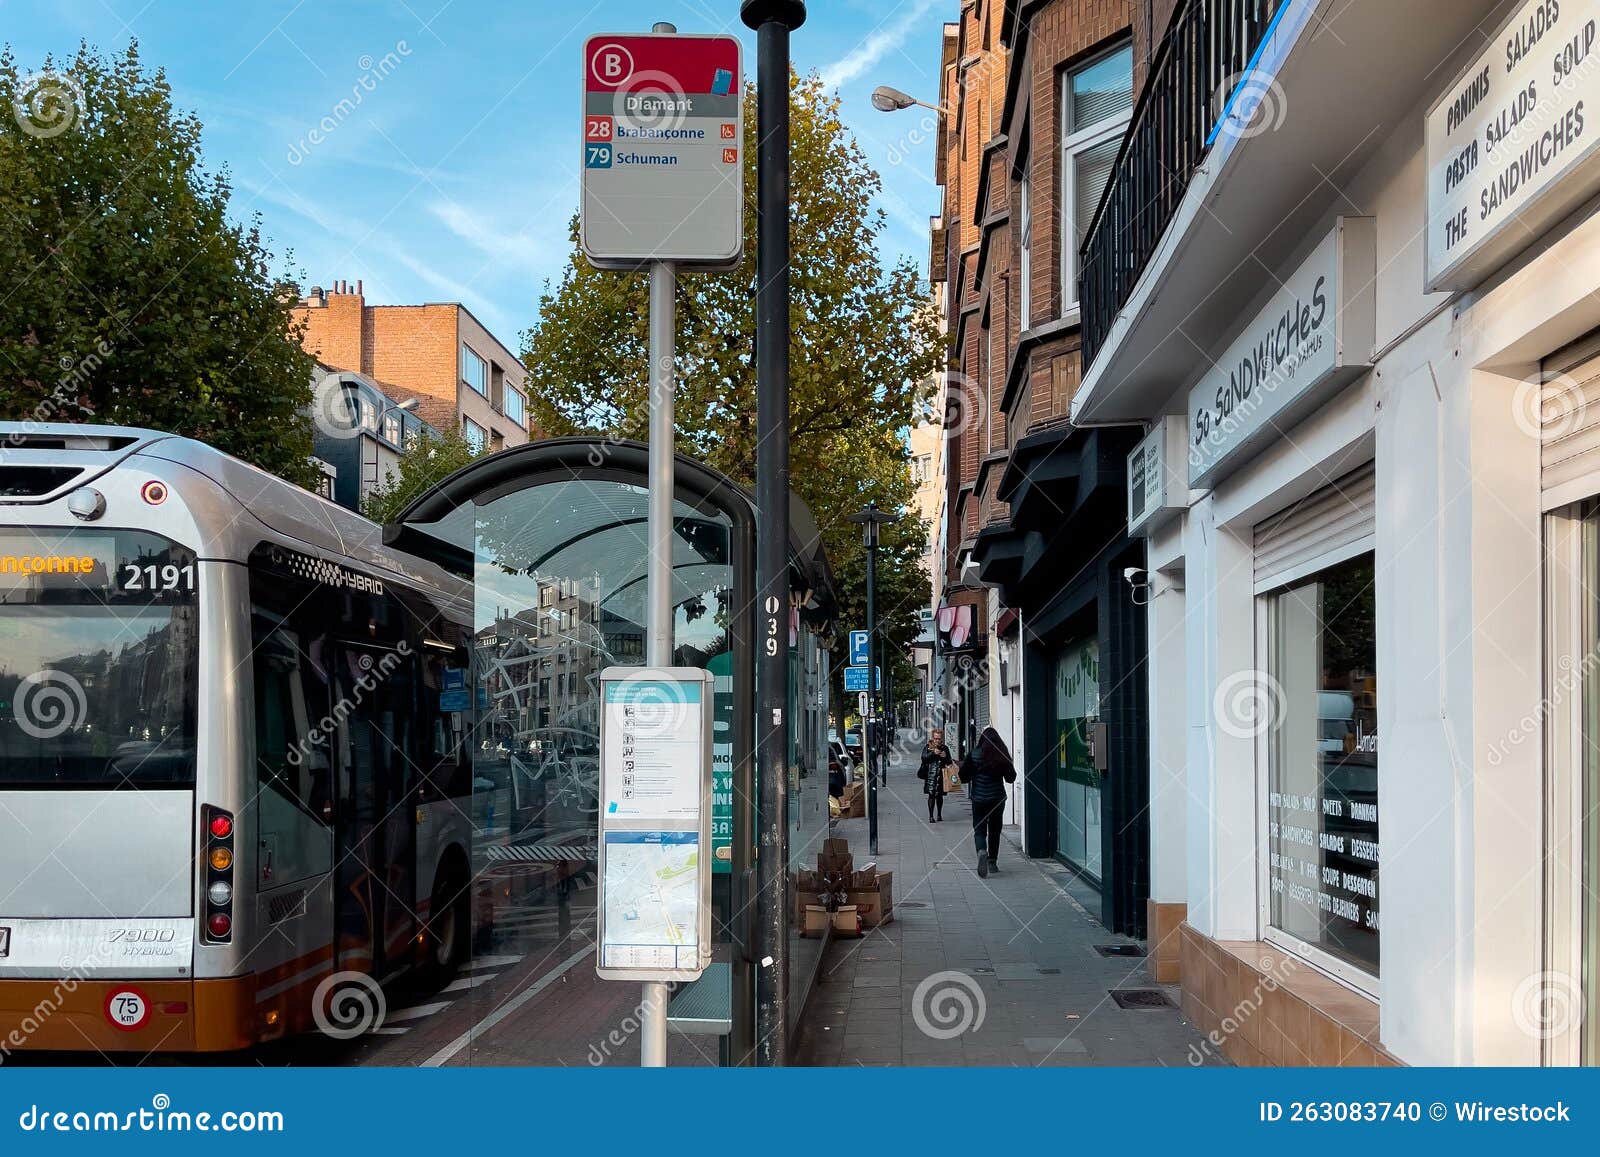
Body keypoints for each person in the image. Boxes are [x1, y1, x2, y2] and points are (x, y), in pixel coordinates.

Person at [959, 726, 1016, 878]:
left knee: (979, 829)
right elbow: (1011, 778)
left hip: (979, 798)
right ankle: (992, 862)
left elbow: (964, 777)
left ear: (982, 739)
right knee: (995, 830)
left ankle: (981, 851)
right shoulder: (1001, 755)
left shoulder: (974, 754)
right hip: (997, 798)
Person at [916, 728, 953, 823]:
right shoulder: (928, 747)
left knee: (940, 796)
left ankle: (939, 814)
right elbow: (924, 758)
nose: (937, 740)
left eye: (939, 738)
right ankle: (931, 816)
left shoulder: (945, 748)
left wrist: (945, 757)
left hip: (941, 776)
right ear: (933, 738)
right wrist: (933, 753)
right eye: (936, 738)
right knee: (931, 795)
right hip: (931, 775)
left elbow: (949, 762)